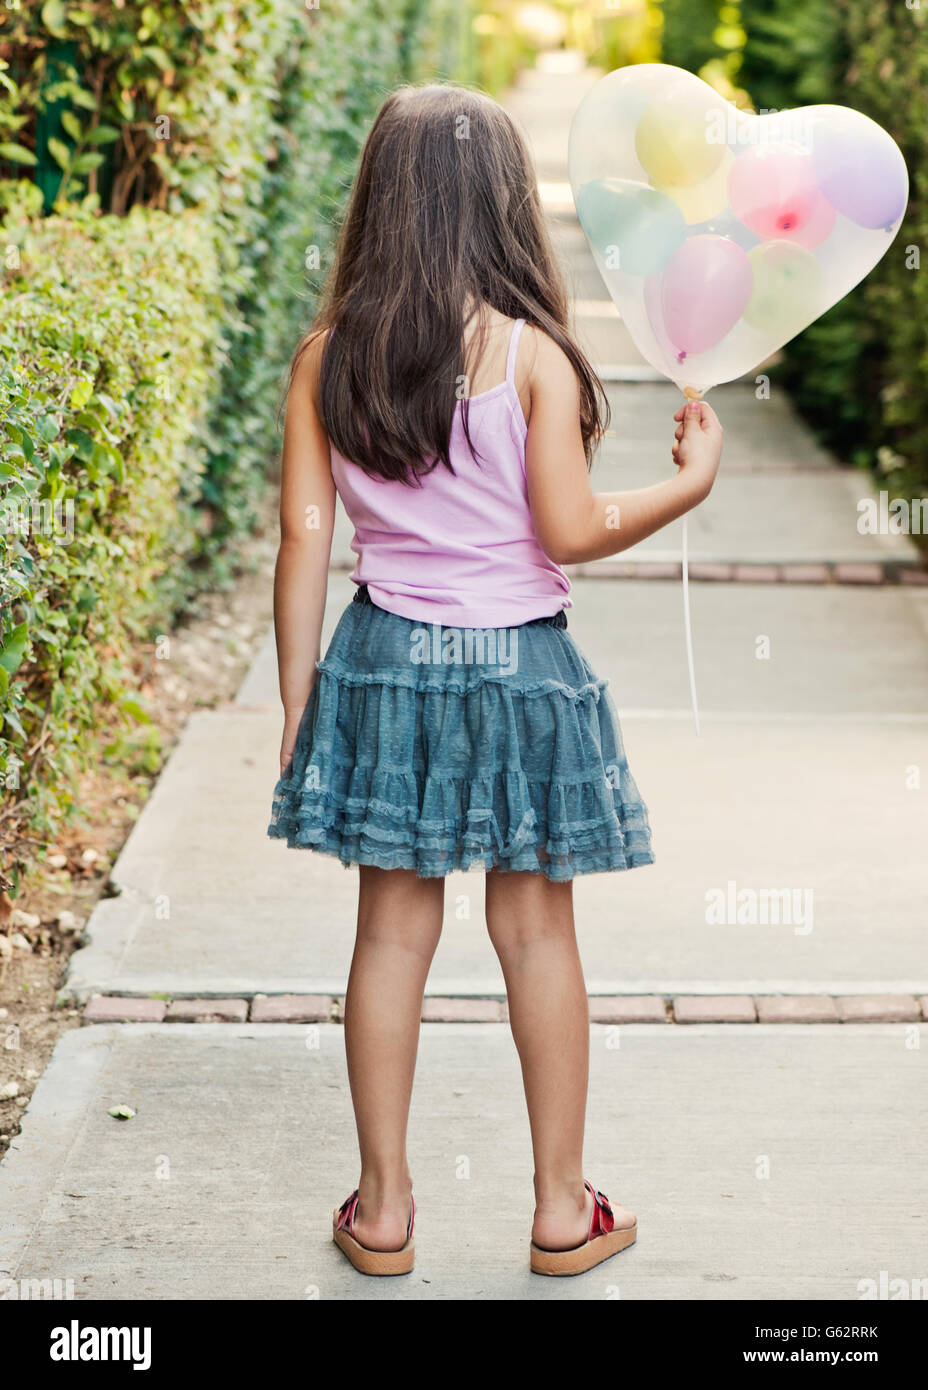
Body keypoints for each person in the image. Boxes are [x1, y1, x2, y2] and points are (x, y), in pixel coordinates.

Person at [268, 83, 723, 1278]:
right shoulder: (536, 361)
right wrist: (685, 487)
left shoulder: (328, 359)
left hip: (385, 661)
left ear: (378, 203)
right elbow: (570, 531)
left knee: (390, 936)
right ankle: (563, 1209)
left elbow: (304, 539)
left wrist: (295, 700)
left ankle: (382, 1210)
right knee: (534, 934)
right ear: (503, 207)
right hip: (519, 668)